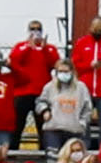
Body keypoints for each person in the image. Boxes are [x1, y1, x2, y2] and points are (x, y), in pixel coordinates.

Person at [5, 20, 60, 151]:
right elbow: (13, 61)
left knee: (43, 128)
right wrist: (28, 48)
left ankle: (44, 154)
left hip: (42, 94)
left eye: (38, 29)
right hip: (22, 93)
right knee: (17, 126)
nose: (35, 31)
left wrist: (44, 49)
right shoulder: (20, 46)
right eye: (32, 29)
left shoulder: (50, 48)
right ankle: (12, 153)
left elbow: (54, 64)